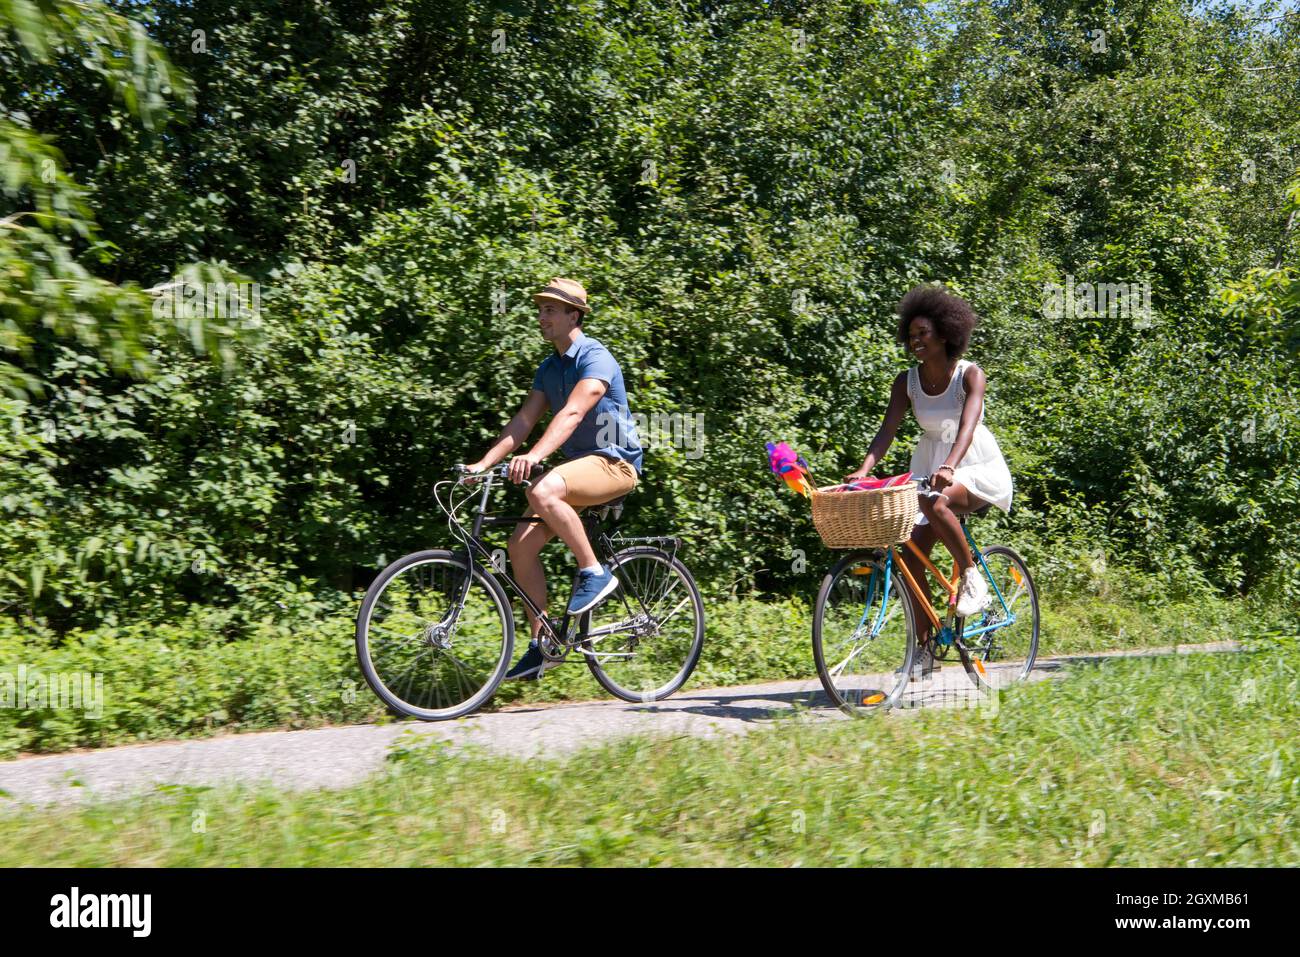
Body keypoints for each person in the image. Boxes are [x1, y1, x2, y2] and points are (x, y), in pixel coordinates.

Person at [464, 277, 643, 680]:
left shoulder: (595, 357)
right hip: (579, 470)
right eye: (541, 309)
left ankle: (594, 571)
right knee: (520, 546)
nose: (542, 316)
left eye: (551, 310)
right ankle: (544, 644)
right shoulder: (549, 367)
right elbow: (524, 419)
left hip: (614, 464)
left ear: (573, 316)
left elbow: (573, 413)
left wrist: (536, 456)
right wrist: (483, 463)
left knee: (542, 487)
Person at [845, 284, 1014, 675]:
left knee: (936, 501)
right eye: (911, 335)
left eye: (923, 333)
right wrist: (865, 469)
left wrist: (951, 466)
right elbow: (887, 431)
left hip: (971, 463)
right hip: (930, 462)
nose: (915, 341)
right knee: (910, 558)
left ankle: (972, 577)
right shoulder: (906, 382)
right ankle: (924, 651)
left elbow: (968, 426)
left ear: (944, 333)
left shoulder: (970, 375)